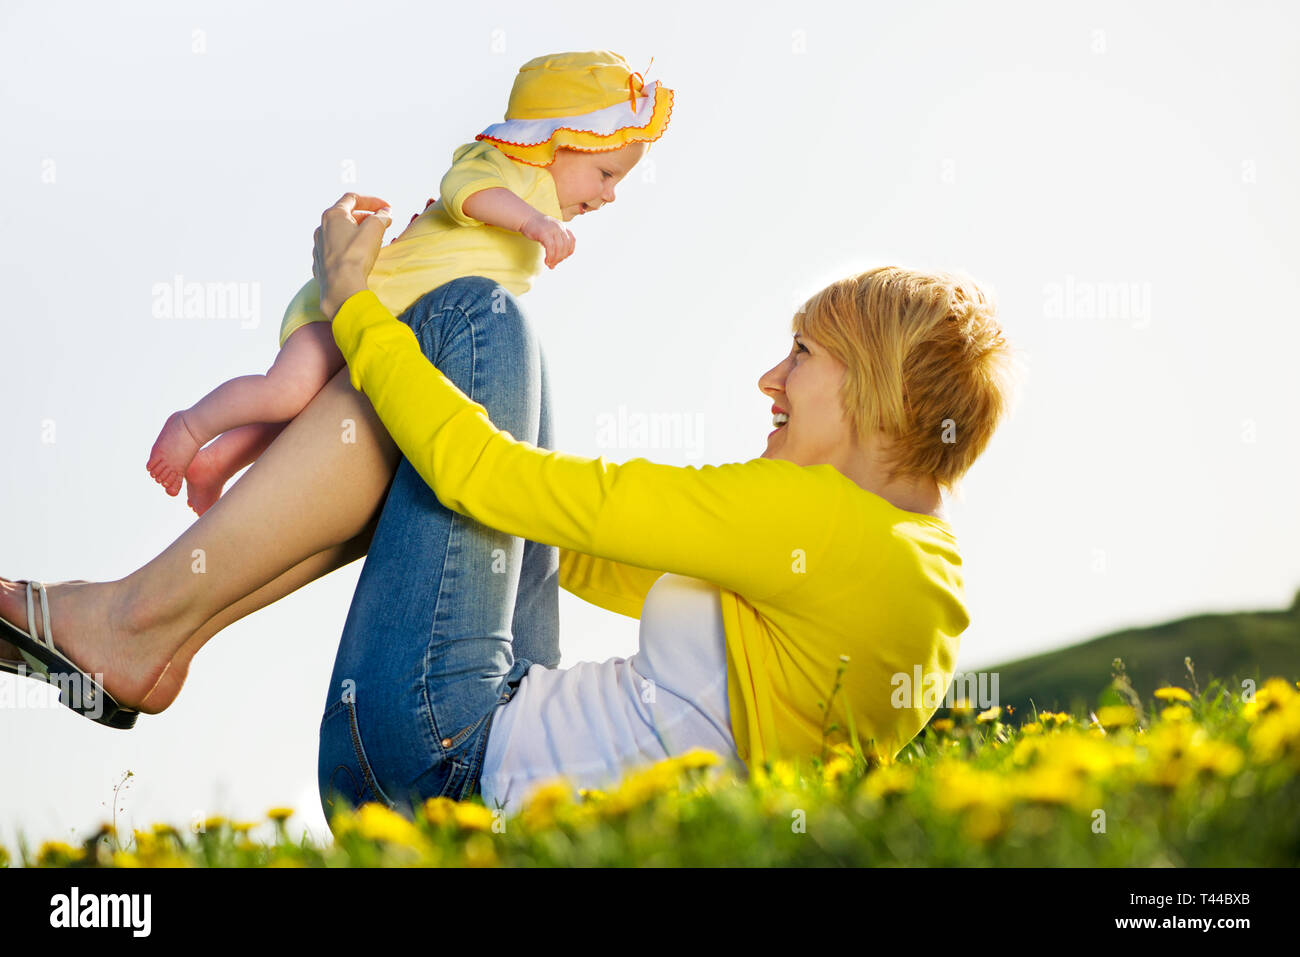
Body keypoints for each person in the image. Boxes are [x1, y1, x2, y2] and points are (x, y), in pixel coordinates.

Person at [0, 193, 1018, 823]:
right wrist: (423, 441)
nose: (768, 378)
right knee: (449, 417)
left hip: (436, 767)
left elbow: (495, 486)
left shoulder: (803, 521)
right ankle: (144, 634)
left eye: (801, 354)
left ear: (877, 386)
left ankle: (134, 623)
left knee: (476, 321)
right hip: (494, 776)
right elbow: (544, 532)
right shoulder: (917, 576)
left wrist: (354, 302)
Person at [145, 50, 672, 517]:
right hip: (353, 299)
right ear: (560, 140)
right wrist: (532, 222)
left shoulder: (534, 206)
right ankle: (190, 427)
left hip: (382, 333)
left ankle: (216, 463)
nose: (609, 196)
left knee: (302, 417)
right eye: (606, 174)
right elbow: (463, 190)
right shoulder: (507, 169)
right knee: (287, 392)